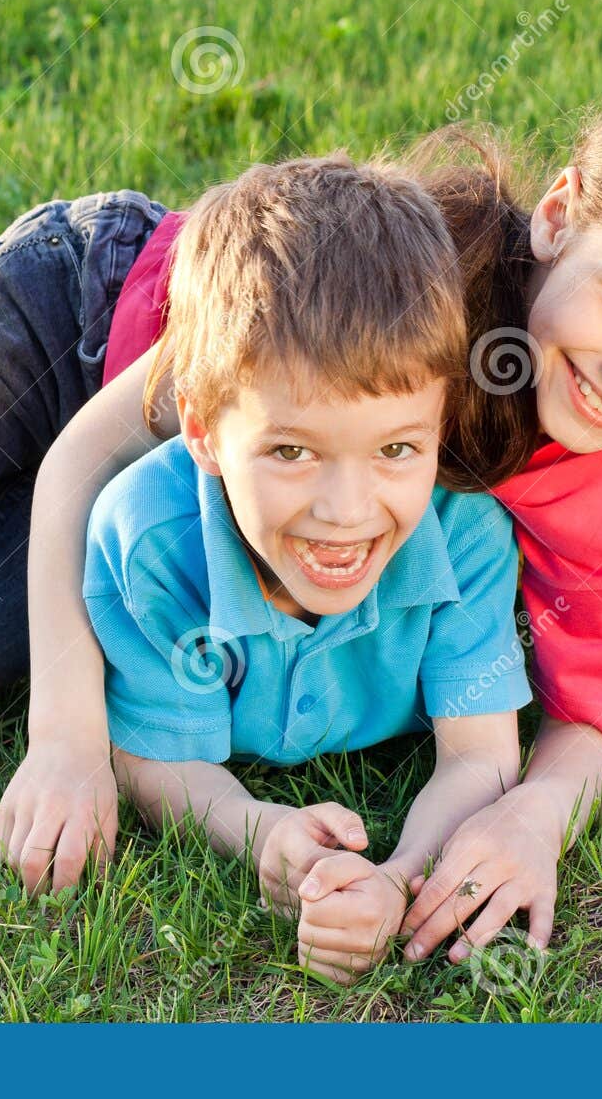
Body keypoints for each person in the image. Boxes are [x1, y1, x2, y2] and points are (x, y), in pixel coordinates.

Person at [3, 68, 602, 971]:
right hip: (85, 302)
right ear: (560, 217)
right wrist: (64, 737)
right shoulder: (413, 275)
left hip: (222, 507)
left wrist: (527, 817)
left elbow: (599, 710)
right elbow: (87, 459)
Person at [87, 155, 529, 983]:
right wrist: (255, 827)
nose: (347, 510)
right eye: (292, 450)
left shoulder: (466, 533)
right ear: (206, 432)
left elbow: (482, 756)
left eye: (397, 448)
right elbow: (154, 755)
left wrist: (397, 880)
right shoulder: (152, 542)